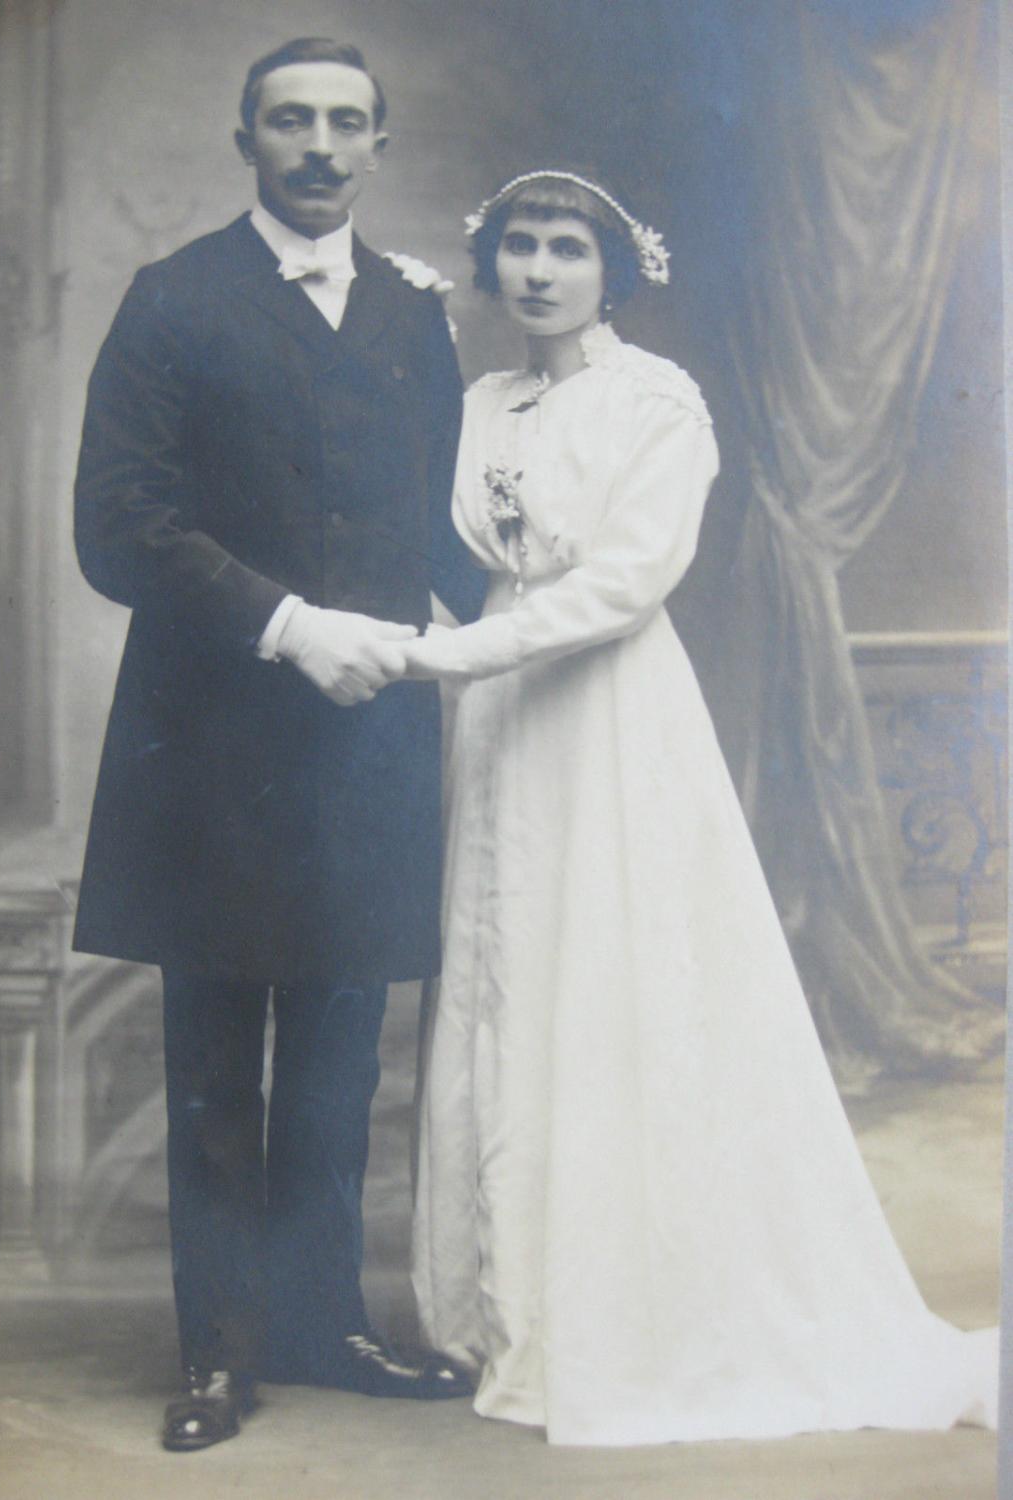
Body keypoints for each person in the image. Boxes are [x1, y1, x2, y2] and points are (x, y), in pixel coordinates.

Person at [406, 169, 997, 1446]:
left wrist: (448, 659)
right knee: (511, 974)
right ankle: (520, 1309)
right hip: (504, 713)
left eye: (569, 248)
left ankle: (626, 1307)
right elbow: (464, 560)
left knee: (610, 976)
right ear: (493, 263)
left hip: (606, 704)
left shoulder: (656, 401)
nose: (541, 270)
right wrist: (441, 642)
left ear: (614, 272)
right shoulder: (478, 403)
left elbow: (628, 577)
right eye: (520, 245)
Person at [73, 37, 484, 1451]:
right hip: (212, 747)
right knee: (213, 1057)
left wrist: (553, 617)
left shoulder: (413, 313)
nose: (319, 144)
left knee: (341, 1053)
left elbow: (437, 524)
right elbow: (116, 528)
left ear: (380, 142)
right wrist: (286, 623)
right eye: (291, 120)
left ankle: (328, 1323)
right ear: (244, 136)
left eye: (346, 123)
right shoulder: (173, 298)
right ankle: (215, 1351)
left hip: (369, 748)